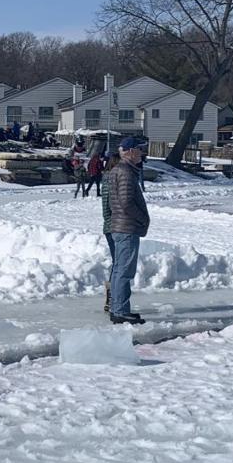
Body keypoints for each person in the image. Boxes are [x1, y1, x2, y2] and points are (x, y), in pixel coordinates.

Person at [106, 135, 150, 325]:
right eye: (139, 149)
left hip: (121, 226)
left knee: (119, 270)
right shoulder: (124, 172)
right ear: (131, 152)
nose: (142, 153)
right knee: (124, 271)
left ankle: (118, 308)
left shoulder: (121, 170)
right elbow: (126, 202)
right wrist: (142, 219)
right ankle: (120, 310)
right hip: (126, 227)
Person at [100, 153, 119, 313]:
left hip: (112, 226)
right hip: (114, 227)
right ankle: (112, 294)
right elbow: (107, 209)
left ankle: (112, 293)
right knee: (118, 262)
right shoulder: (110, 181)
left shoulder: (108, 180)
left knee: (117, 262)